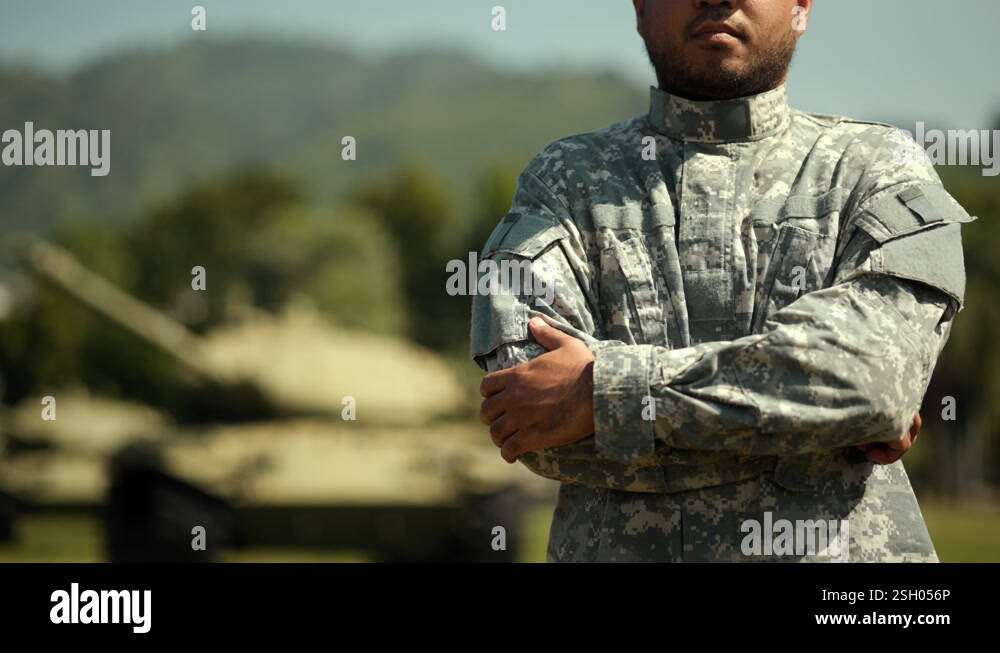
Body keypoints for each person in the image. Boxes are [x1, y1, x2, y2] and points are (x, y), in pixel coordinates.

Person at [469, 0, 975, 562]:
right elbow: (529, 418)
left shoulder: (874, 166)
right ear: (640, 9)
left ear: (802, 8)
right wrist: (816, 416)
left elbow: (873, 383)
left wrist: (603, 393)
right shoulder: (564, 181)